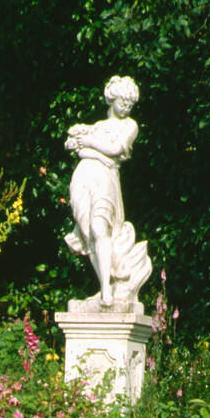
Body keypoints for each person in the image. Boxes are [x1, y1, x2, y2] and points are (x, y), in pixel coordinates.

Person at [65, 76, 141, 309]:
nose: (126, 108)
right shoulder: (98, 127)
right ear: (112, 100)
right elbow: (75, 147)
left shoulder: (129, 126)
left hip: (106, 180)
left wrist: (88, 143)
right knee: (88, 232)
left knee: (100, 227)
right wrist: (92, 146)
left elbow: (115, 148)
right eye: (122, 103)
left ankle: (108, 291)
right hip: (83, 177)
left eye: (130, 105)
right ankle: (103, 287)